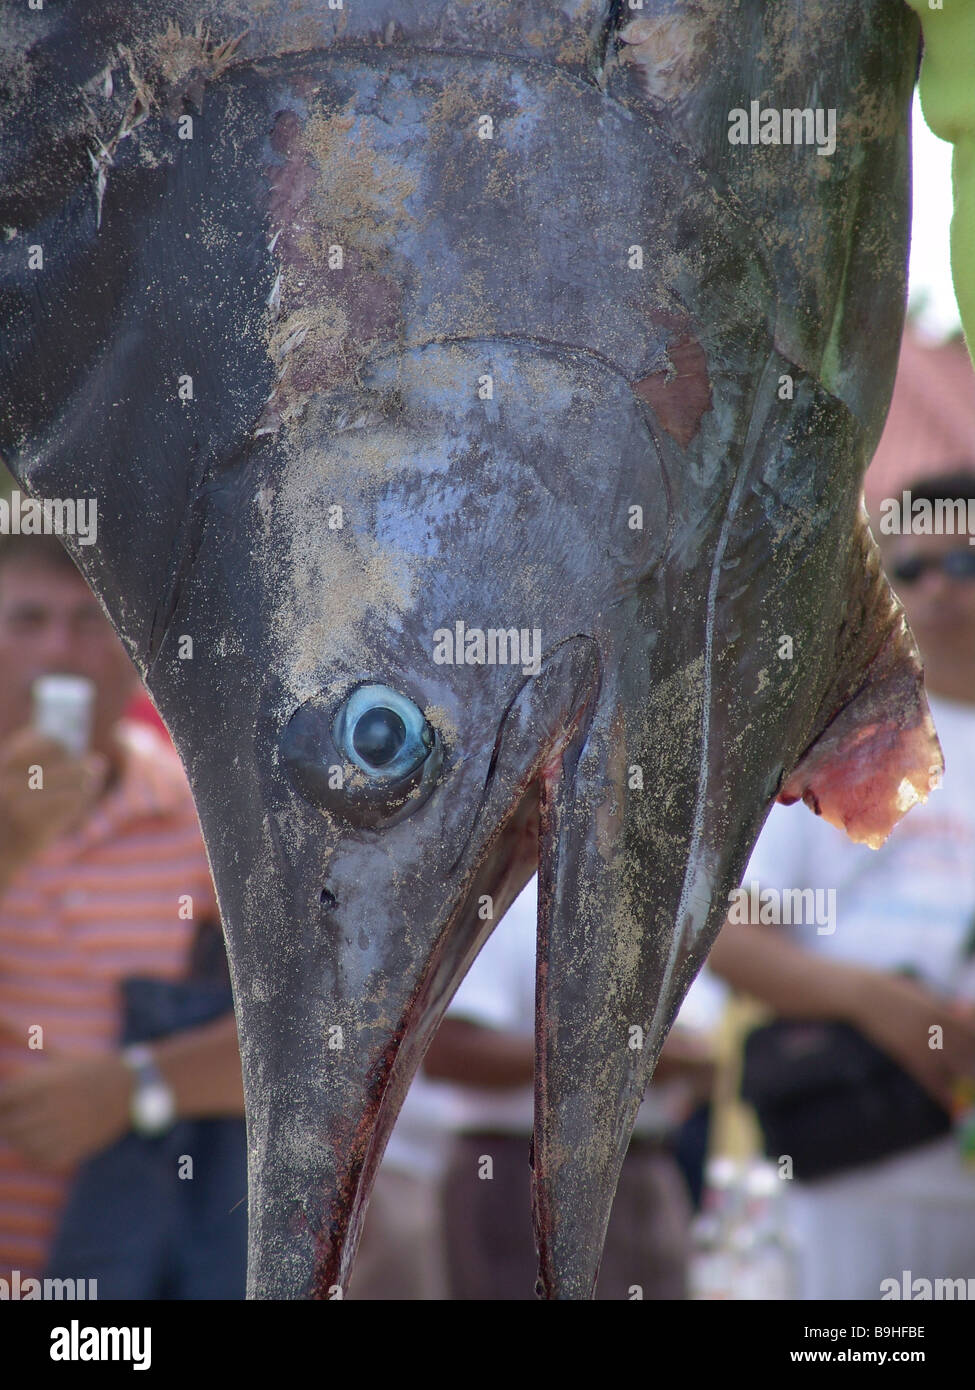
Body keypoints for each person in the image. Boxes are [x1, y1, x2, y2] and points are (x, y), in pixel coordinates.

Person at [708, 456, 975, 1299]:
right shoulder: (841, 740)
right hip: (859, 1150)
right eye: (909, 568)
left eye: (965, 562)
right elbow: (728, 934)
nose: (936, 588)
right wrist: (872, 1002)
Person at [0, 531, 246, 1296]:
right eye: (29, 620)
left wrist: (139, 1086)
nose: (62, 654)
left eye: (91, 621)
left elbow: (315, 1040)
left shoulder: (205, 817)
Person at [424, 874, 716, 1300]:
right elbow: (447, 1052)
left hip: (646, 1167)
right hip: (521, 1173)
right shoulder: (508, 894)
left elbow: (698, 1054)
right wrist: (608, 1052)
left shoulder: (656, 890)